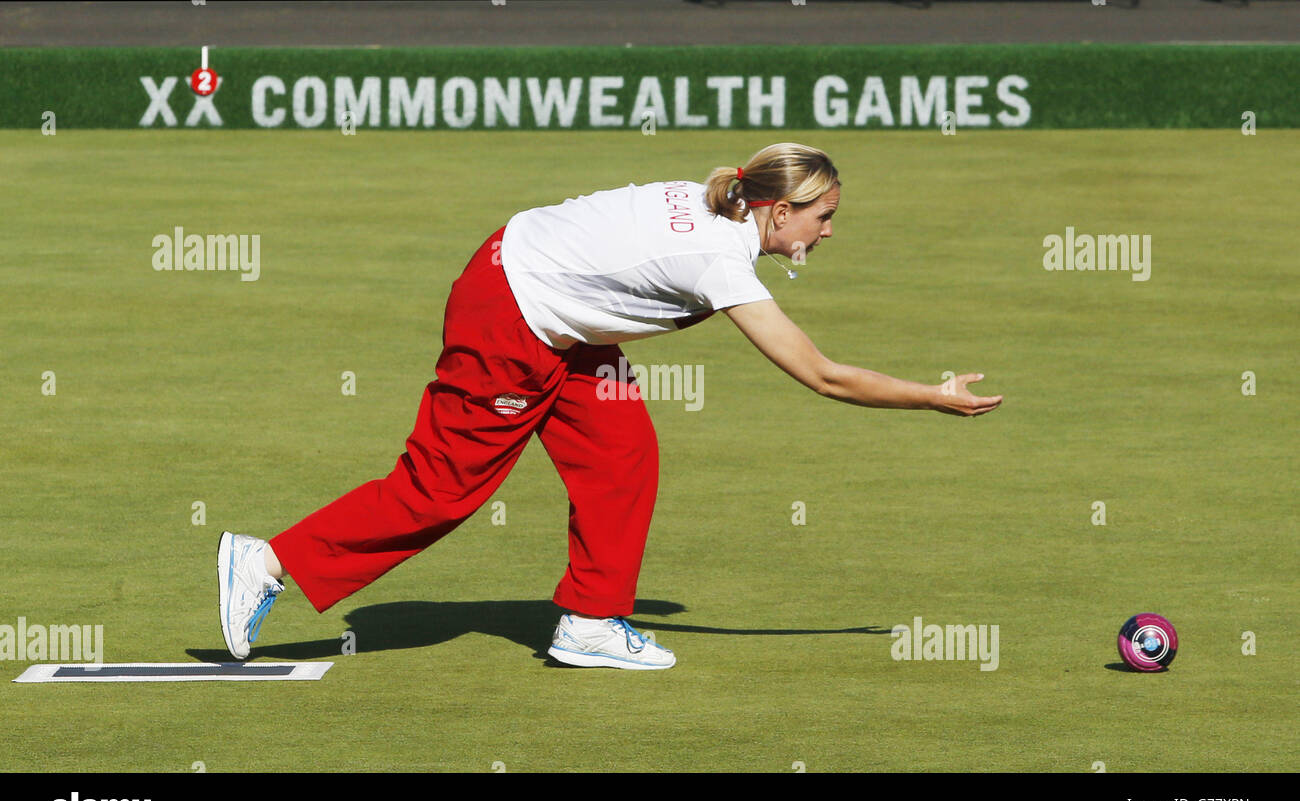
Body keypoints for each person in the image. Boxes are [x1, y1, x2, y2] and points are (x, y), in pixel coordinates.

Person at [216, 142, 1003, 671]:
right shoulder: (717, 257)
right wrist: (932, 396)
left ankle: (590, 622)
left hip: (556, 310)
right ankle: (267, 561)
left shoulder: (721, 205)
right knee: (444, 488)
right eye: (822, 216)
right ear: (775, 211)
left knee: (622, 452)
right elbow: (823, 376)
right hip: (512, 316)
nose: (830, 231)